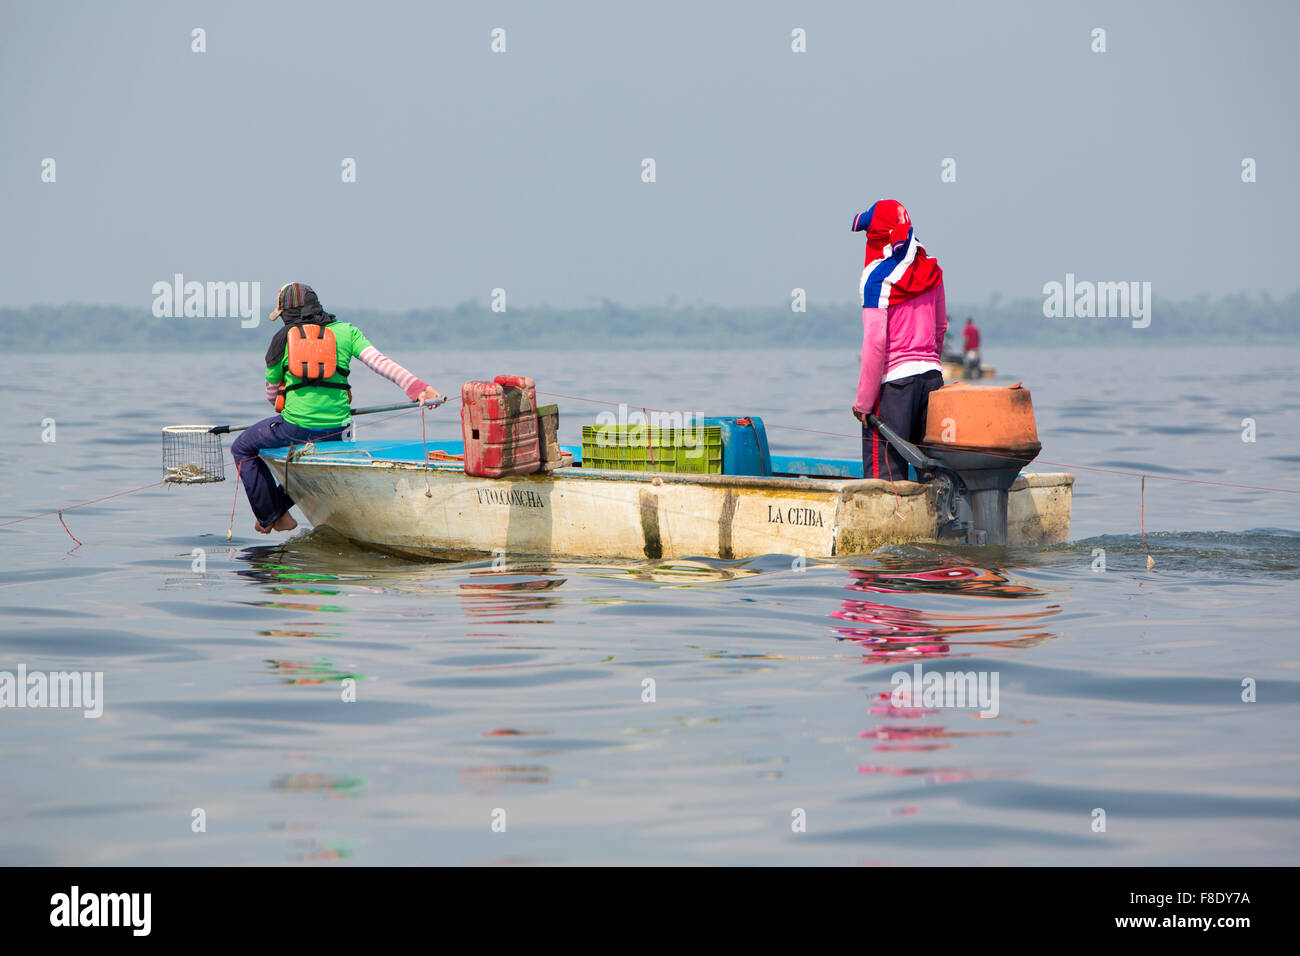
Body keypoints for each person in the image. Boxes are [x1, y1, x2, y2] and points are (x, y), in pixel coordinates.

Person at [231, 282, 443, 534]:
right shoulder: (346, 332)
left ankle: (270, 517)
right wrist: (420, 389)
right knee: (306, 460)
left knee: (242, 447)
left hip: (296, 428)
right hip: (340, 429)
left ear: (287, 312)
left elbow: (271, 395)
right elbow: (381, 363)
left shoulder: (281, 340)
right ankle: (275, 513)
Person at [850, 200, 946, 482]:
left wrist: (864, 404)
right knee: (934, 473)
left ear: (877, 236)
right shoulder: (931, 268)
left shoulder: (876, 278)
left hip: (895, 387)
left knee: (886, 480)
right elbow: (940, 328)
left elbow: (875, 343)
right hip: (932, 380)